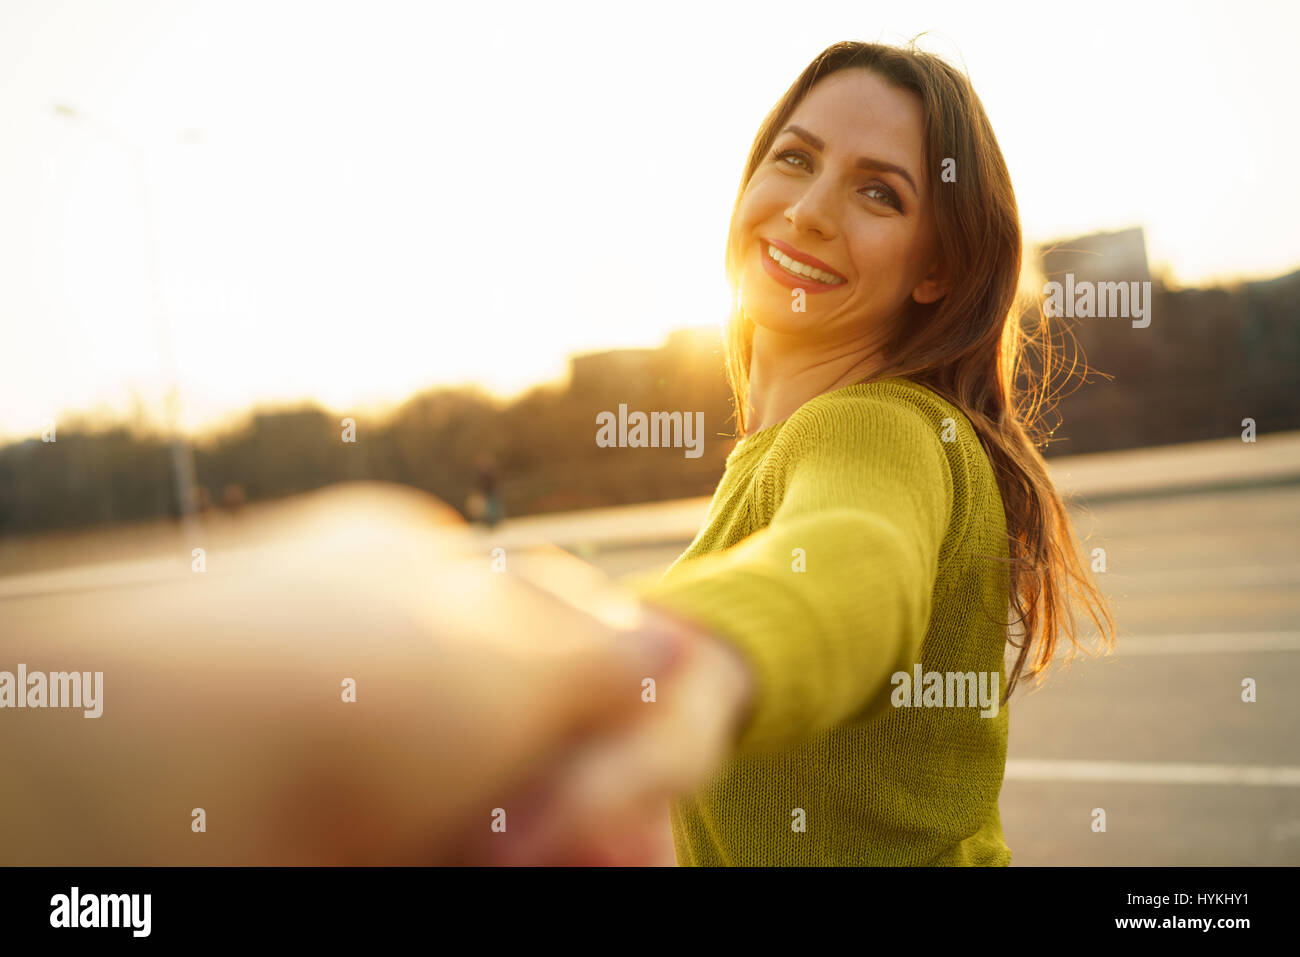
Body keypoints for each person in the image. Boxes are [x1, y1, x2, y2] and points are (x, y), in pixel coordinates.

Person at [501, 39, 1117, 866]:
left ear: (935, 270)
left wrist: (657, 657)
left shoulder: (879, 426)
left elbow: (852, 561)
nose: (809, 211)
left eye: (877, 192)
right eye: (795, 158)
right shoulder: (779, 449)